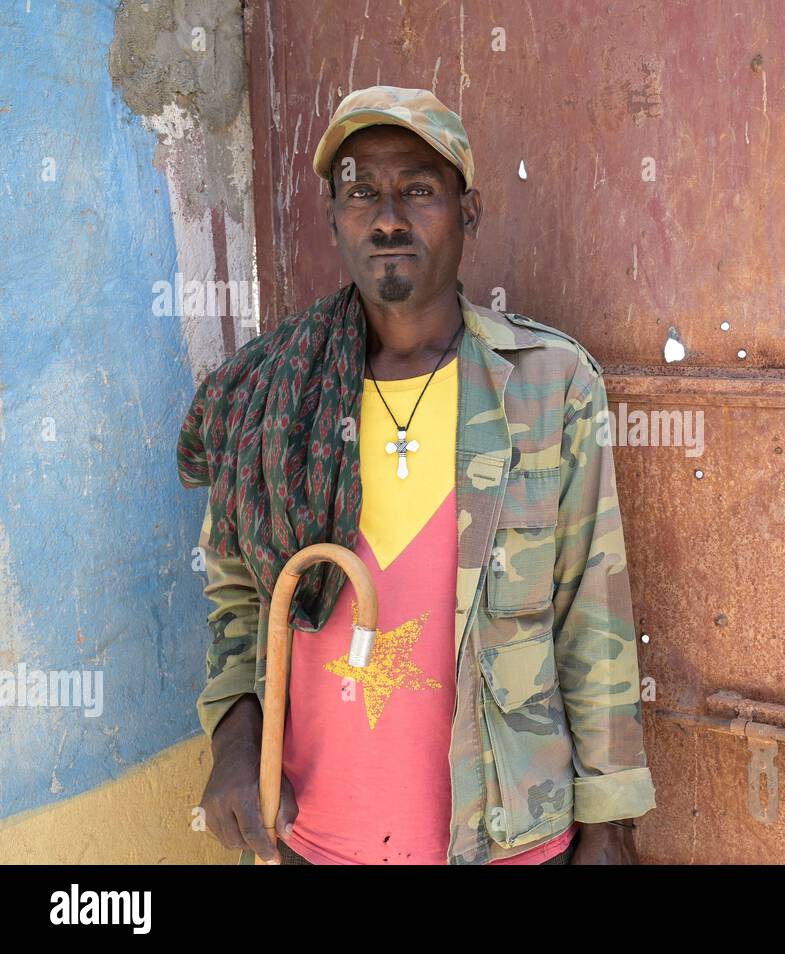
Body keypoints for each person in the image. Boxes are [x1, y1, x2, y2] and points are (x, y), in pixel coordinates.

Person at [177, 85, 655, 865]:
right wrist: (233, 739)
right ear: (334, 217)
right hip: (311, 838)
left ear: (468, 212)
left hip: (505, 842)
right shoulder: (274, 393)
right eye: (362, 192)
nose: (389, 217)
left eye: (419, 191)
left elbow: (590, 615)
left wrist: (608, 826)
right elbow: (235, 591)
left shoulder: (546, 385)